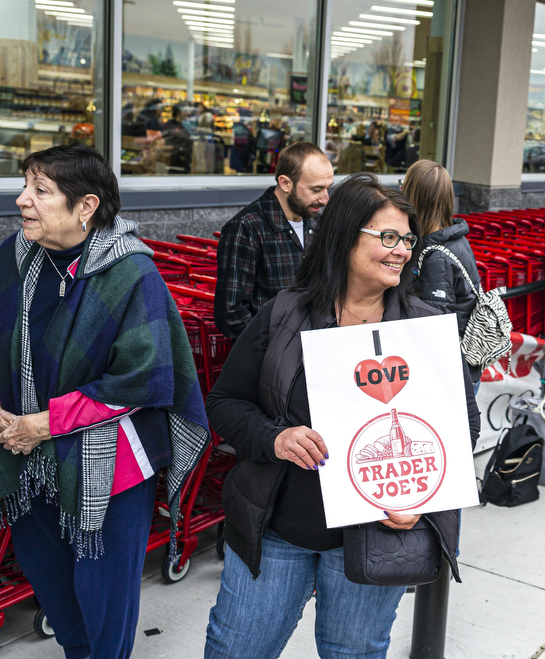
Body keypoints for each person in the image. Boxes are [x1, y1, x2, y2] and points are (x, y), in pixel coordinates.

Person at [203, 173, 479, 658]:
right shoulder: (283, 314)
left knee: (353, 652)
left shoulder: (424, 329)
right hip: (279, 530)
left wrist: (424, 496)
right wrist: (275, 439)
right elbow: (225, 402)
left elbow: (462, 423)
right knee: (235, 649)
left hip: (379, 535)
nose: (402, 251)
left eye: (407, 240)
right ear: (343, 236)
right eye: (388, 237)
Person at [0, 144, 209, 658]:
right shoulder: (14, 257)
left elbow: (143, 379)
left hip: (108, 465)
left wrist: (45, 423)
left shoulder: (132, 275)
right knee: (51, 585)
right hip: (24, 458)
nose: (23, 200)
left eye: (40, 190)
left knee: (105, 601)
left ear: (86, 206)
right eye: (25, 185)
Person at [215, 142, 335, 339]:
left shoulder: (318, 223)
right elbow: (231, 314)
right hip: (269, 355)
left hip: (315, 348)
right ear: (286, 183)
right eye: (316, 190)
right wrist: (274, 347)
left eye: (327, 188)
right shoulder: (246, 228)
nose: (325, 199)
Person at [403, 159, 483, 384]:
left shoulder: (435, 256)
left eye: (404, 187)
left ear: (414, 197)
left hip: (453, 374)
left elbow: (434, 325)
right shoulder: (455, 238)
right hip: (465, 366)